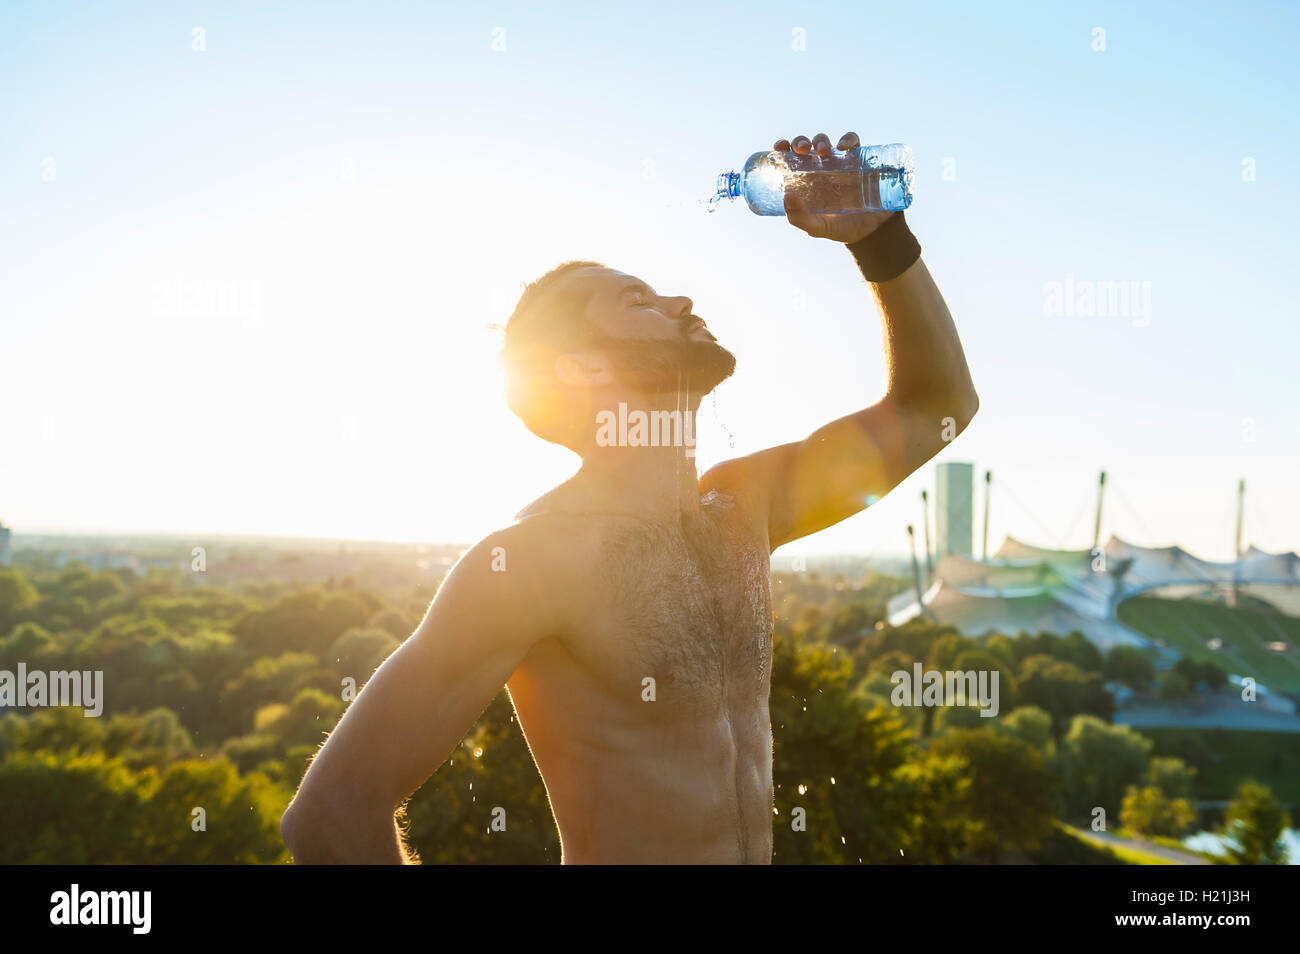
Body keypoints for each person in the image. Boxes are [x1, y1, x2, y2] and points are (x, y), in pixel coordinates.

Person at [280, 131, 978, 864]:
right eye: (637, 300)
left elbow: (938, 404)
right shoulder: (532, 561)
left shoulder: (745, 508)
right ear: (579, 368)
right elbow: (331, 813)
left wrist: (880, 240)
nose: (680, 299)